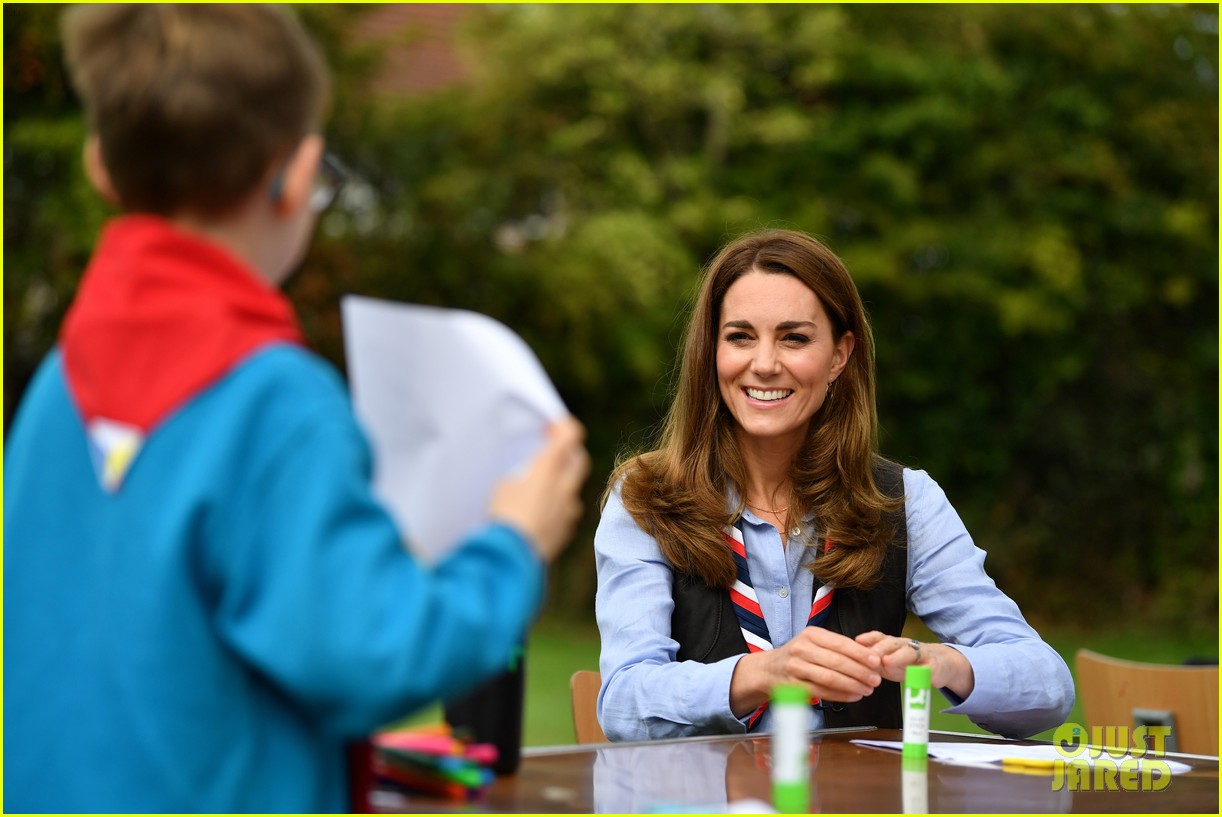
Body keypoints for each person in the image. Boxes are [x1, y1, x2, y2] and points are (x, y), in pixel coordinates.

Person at [3, 5, 588, 813]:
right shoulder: (275, 400)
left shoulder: (56, 385)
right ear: (298, 172)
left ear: (101, 165)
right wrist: (514, 543)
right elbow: (377, 654)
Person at [594, 228, 1073, 741]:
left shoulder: (904, 501)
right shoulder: (645, 497)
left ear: (839, 356)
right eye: (740, 337)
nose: (764, 363)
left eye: (794, 338)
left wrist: (941, 662)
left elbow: (1048, 688)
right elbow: (623, 702)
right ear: (712, 351)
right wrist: (765, 674)